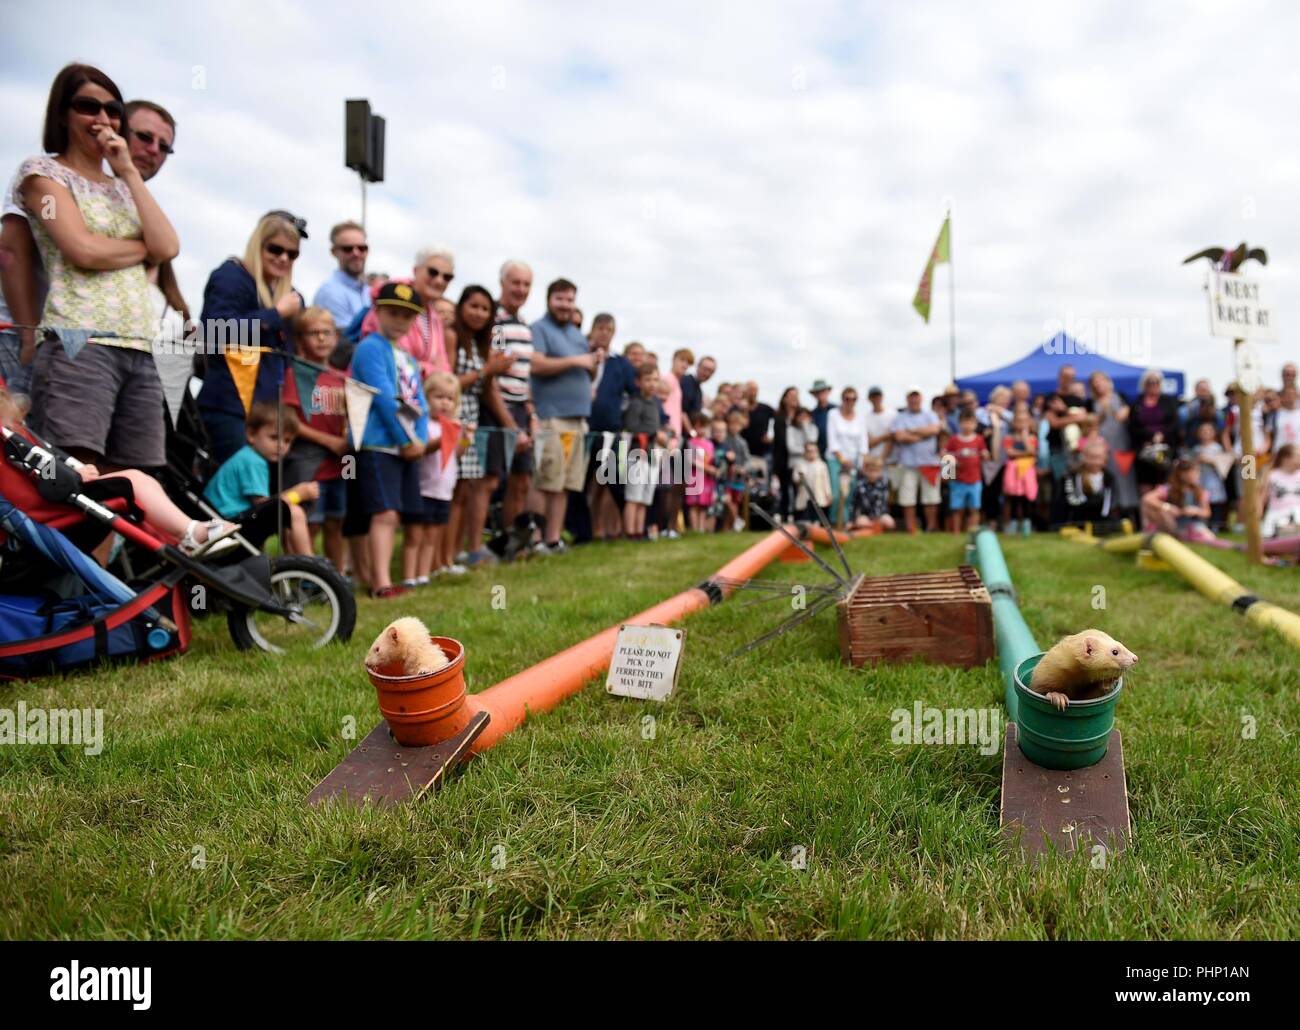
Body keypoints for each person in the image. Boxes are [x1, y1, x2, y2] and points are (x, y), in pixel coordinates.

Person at [15, 64, 179, 470]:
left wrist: (126, 170)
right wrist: (143, 248)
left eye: (112, 110)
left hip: (140, 347)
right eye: (89, 107)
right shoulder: (43, 173)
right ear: (63, 113)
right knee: (77, 474)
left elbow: (169, 246)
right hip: (80, 340)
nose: (102, 119)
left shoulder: (125, 185)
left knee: (127, 485)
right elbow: (81, 249)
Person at [196, 210, 306, 464]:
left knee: (258, 495)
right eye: (275, 249)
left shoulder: (287, 293)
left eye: (292, 254)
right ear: (258, 245)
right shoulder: (231, 276)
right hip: (229, 407)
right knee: (231, 494)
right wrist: (276, 314)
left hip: (267, 413)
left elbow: (288, 357)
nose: (283, 258)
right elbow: (216, 333)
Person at [351, 282, 429, 598]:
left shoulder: (407, 357)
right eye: (393, 312)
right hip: (380, 443)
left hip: (405, 445)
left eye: (407, 316)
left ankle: (382, 577)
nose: (400, 320)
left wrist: (420, 438)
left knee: (395, 513)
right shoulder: (370, 348)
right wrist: (406, 438)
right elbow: (382, 397)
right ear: (378, 312)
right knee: (384, 513)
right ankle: (380, 583)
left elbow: (419, 401)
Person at [529, 278, 597, 553]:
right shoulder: (539, 328)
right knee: (545, 479)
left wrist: (592, 364)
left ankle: (553, 538)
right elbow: (535, 363)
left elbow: (587, 368)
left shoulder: (577, 335)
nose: (565, 305)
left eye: (570, 300)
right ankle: (533, 539)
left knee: (566, 483)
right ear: (549, 300)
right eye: (560, 299)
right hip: (551, 416)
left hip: (578, 418)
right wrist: (577, 361)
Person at [448, 285, 512, 568]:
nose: (479, 313)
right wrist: (487, 371)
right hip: (453, 415)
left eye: (485, 309)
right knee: (451, 491)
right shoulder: (452, 336)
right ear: (461, 307)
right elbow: (447, 383)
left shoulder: (479, 344)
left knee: (464, 489)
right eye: (473, 306)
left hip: (472, 419)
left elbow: (486, 389)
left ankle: (455, 553)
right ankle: (443, 558)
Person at [203, 401, 318, 554]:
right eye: (274, 437)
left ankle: (298, 565)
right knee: (294, 512)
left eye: (287, 440)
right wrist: (298, 493)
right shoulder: (252, 461)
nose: (281, 445)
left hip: (225, 519)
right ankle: (310, 569)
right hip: (226, 522)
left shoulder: (250, 457)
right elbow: (263, 506)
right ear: (251, 435)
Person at [282, 306, 348, 570]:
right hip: (307, 461)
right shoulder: (294, 374)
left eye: (327, 333)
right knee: (309, 521)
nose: (321, 339)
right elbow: (290, 422)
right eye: (313, 333)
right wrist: (329, 441)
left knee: (336, 521)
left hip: (339, 464)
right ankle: (302, 574)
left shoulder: (342, 378)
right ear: (300, 339)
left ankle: (336, 574)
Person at [356, 246, 453, 382]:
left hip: (414, 396)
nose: (439, 280)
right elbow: (398, 361)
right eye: (433, 272)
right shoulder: (391, 300)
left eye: (447, 277)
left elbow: (444, 368)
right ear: (415, 270)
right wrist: (428, 369)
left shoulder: (434, 315)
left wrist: (422, 368)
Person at [492, 259, 539, 528]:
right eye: (515, 282)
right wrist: (511, 425)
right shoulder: (496, 324)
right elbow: (495, 367)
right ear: (503, 284)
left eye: (526, 284)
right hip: (501, 406)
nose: (521, 289)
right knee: (490, 482)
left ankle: (513, 538)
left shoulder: (523, 325)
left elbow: (526, 373)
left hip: (522, 407)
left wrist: (530, 413)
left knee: (522, 480)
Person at [418, 371, 463, 579]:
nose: (445, 404)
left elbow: (458, 453)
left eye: (450, 399)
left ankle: (427, 572)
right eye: (439, 397)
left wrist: (464, 439)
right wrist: (443, 439)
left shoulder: (451, 426)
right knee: (418, 534)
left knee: (434, 534)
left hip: (444, 490)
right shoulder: (424, 424)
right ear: (426, 398)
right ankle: (415, 573)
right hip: (424, 488)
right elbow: (423, 448)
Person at [891, 386, 943, 533]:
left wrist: (912, 431)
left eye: (916, 397)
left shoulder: (930, 414)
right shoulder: (900, 417)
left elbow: (935, 430)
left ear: (921, 398)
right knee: (908, 499)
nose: (914, 400)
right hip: (908, 464)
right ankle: (911, 530)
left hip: (930, 463)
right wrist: (924, 434)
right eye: (911, 397)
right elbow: (900, 436)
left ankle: (931, 528)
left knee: (931, 498)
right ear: (907, 399)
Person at [622, 365, 664, 540]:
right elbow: (631, 427)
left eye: (655, 380)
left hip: (653, 454)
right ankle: (630, 532)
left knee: (645, 497)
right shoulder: (635, 403)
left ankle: (640, 531)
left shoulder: (655, 404)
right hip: (637, 454)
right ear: (638, 382)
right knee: (634, 496)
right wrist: (654, 434)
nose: (652, 384)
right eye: (647, 380)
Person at [1127, 369, 1181, 495]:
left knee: (1164, 483)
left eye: (1156, 382)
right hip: (1143, 451)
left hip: (1165, 449)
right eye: (1150, 382)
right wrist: (1150, 437)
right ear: (1144, 384)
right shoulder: (1137, 404)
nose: (1153, 385)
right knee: (1145, 485)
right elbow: (1133, 426)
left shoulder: (1169, 401)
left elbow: (1174, 423)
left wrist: (1161, 435)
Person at [312, 221, 370, 329]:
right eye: (348, 249)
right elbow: (346, 341)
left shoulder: (368, 290)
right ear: (334, 252)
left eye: (362, 248)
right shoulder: (330, 293)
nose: (356, 253)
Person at [1142, 458, 1213, 542]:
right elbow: (1147, 498)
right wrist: (1168, 507)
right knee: (1150, 507)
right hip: (1172, 524)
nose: (1196, 475)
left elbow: (1207, 512)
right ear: (1181, 474)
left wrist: (1195, 511)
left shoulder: (1200, 491)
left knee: (1209, 538)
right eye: (1192, 472)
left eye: (1197, 472)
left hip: (1194, 524)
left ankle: (1183, 535)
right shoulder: (1169, 488)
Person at [827, 387, 868, 528]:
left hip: (854, 462)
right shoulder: (833, 414)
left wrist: (860, 462)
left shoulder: (861, 417)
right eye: (847, 398)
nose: (850, 402)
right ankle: (834, 523)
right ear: (842, 399)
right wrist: (843, 461)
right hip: (836, 460)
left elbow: (863, 442)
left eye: (853, 399)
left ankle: (844, 524)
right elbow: (832, 441)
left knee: (850, 494)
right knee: (837, 494)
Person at [943, 410, 989, 533]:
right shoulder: (953, 440)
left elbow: (985, 454)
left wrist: (985, 455)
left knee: (974, 508)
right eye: (964, 422)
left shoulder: (979, 440)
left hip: (975, 480)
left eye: (970, 422)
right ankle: (956, 532)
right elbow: (946, 456)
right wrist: (949, 473)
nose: (967, 425)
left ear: (975, 424)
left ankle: (973, 533)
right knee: (957, 509)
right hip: (958, 481)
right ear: (959, 423)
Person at [1001, 408, 1039, 536]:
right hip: (1013, 473)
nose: (1022, 423)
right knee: (1013, 499)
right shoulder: (1008, 438)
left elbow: (1033, 451)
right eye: (1019, 421)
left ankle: (1026, 527)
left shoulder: (1032, 437)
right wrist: (1026, 453)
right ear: (1013, 423)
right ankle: (1012, 526)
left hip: (1027, 472)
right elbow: (1010, 453)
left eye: (1025, 421)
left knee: (1026, 499)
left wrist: (1024, 439)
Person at [1060, 441, 1116, 526]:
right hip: (1078, 521)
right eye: (1091, 457)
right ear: (1084, 457)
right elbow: (1070, 501)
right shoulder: (1073, 477)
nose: (1094, 461)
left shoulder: (1109, 478)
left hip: (1102, 523)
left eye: (1098, 457)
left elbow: (1108, 505)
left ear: (1105, 459)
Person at [1191, 419, 1229, 530]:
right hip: (1201, 480)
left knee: (1215, 503)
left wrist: (1210, 461)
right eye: (1203, 431)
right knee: (1202, 501)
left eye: (1208, 431)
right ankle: (1203, 525)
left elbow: (1223, 464)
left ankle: (1216, 526)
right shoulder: (1196, 449)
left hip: (1213, 481)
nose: (1205, 433)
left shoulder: (1217, 448)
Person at [769, 386, 801, 522]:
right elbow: (777, 442)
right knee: (784, 489)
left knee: (798, 489)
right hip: (783, 459)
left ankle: (799, 516)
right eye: (791, 395)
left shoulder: (801, 416)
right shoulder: (778, 417)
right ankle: (784, 516)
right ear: (784, 399)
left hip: (799, 459)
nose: (794, 398)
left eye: (796, 395)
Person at [684, 411, 718, 532]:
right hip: (694, 477)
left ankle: (701, 528)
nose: (701, 429)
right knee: (694, 504)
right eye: (698, 426)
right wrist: (706, 468)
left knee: (703, 504)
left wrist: (712, 469)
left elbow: (712, 459)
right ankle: (694, 528)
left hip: (706, 478)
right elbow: (691, 460)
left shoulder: (710, 444)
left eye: (704, 426)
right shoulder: (691, 443)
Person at [1260, 443, 1300, 538]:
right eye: (1297, 456)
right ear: (1286, 458)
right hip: (1277, 514)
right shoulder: (1272, 475)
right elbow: (1262, 499)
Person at [849, 453, 895, 531]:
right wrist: (852, 520)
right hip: (865, 515)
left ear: (880, 471)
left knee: (889, 522)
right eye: (870, 471)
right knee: (861, 522)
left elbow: (881, 503)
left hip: (880, 515)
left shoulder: (883, 484)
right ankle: (871, 527)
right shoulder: (860, 484)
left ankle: (874, 527)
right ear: (865, 470)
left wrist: (877, 519)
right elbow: (854, 504)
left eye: (876, 471)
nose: (873, 474)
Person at [793, 441, 832, 521]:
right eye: (810, 451)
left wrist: (828, 494)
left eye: (814, 451)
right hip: (804, 498)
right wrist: (801, 479)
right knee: (805, 519)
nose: (812, 453)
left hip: (818, 497)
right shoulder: (800, 464)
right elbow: (795, 479)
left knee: (818, 519)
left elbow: (826, 481)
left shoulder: (822, 465)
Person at [679, 354, 714, 421]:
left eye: (710, 371)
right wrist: (692, 431)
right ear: (698, 366)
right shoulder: (686, 381)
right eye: (705, 369)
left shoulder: (699, 391)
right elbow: (681, 411)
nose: (707, 373)